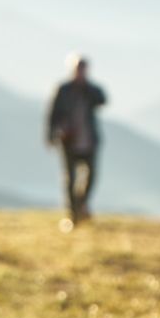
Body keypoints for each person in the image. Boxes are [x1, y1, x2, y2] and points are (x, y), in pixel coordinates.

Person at [46, 54, 106, 226]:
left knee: (91, 176)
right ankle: (73, 215)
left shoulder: (90, 90)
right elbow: (52, 114)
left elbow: (102, 100)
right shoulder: (63, 89)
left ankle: (81, 204)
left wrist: (86, 87)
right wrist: (51, 135)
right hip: (69, 141)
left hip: (89, 141)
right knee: (70, 179)